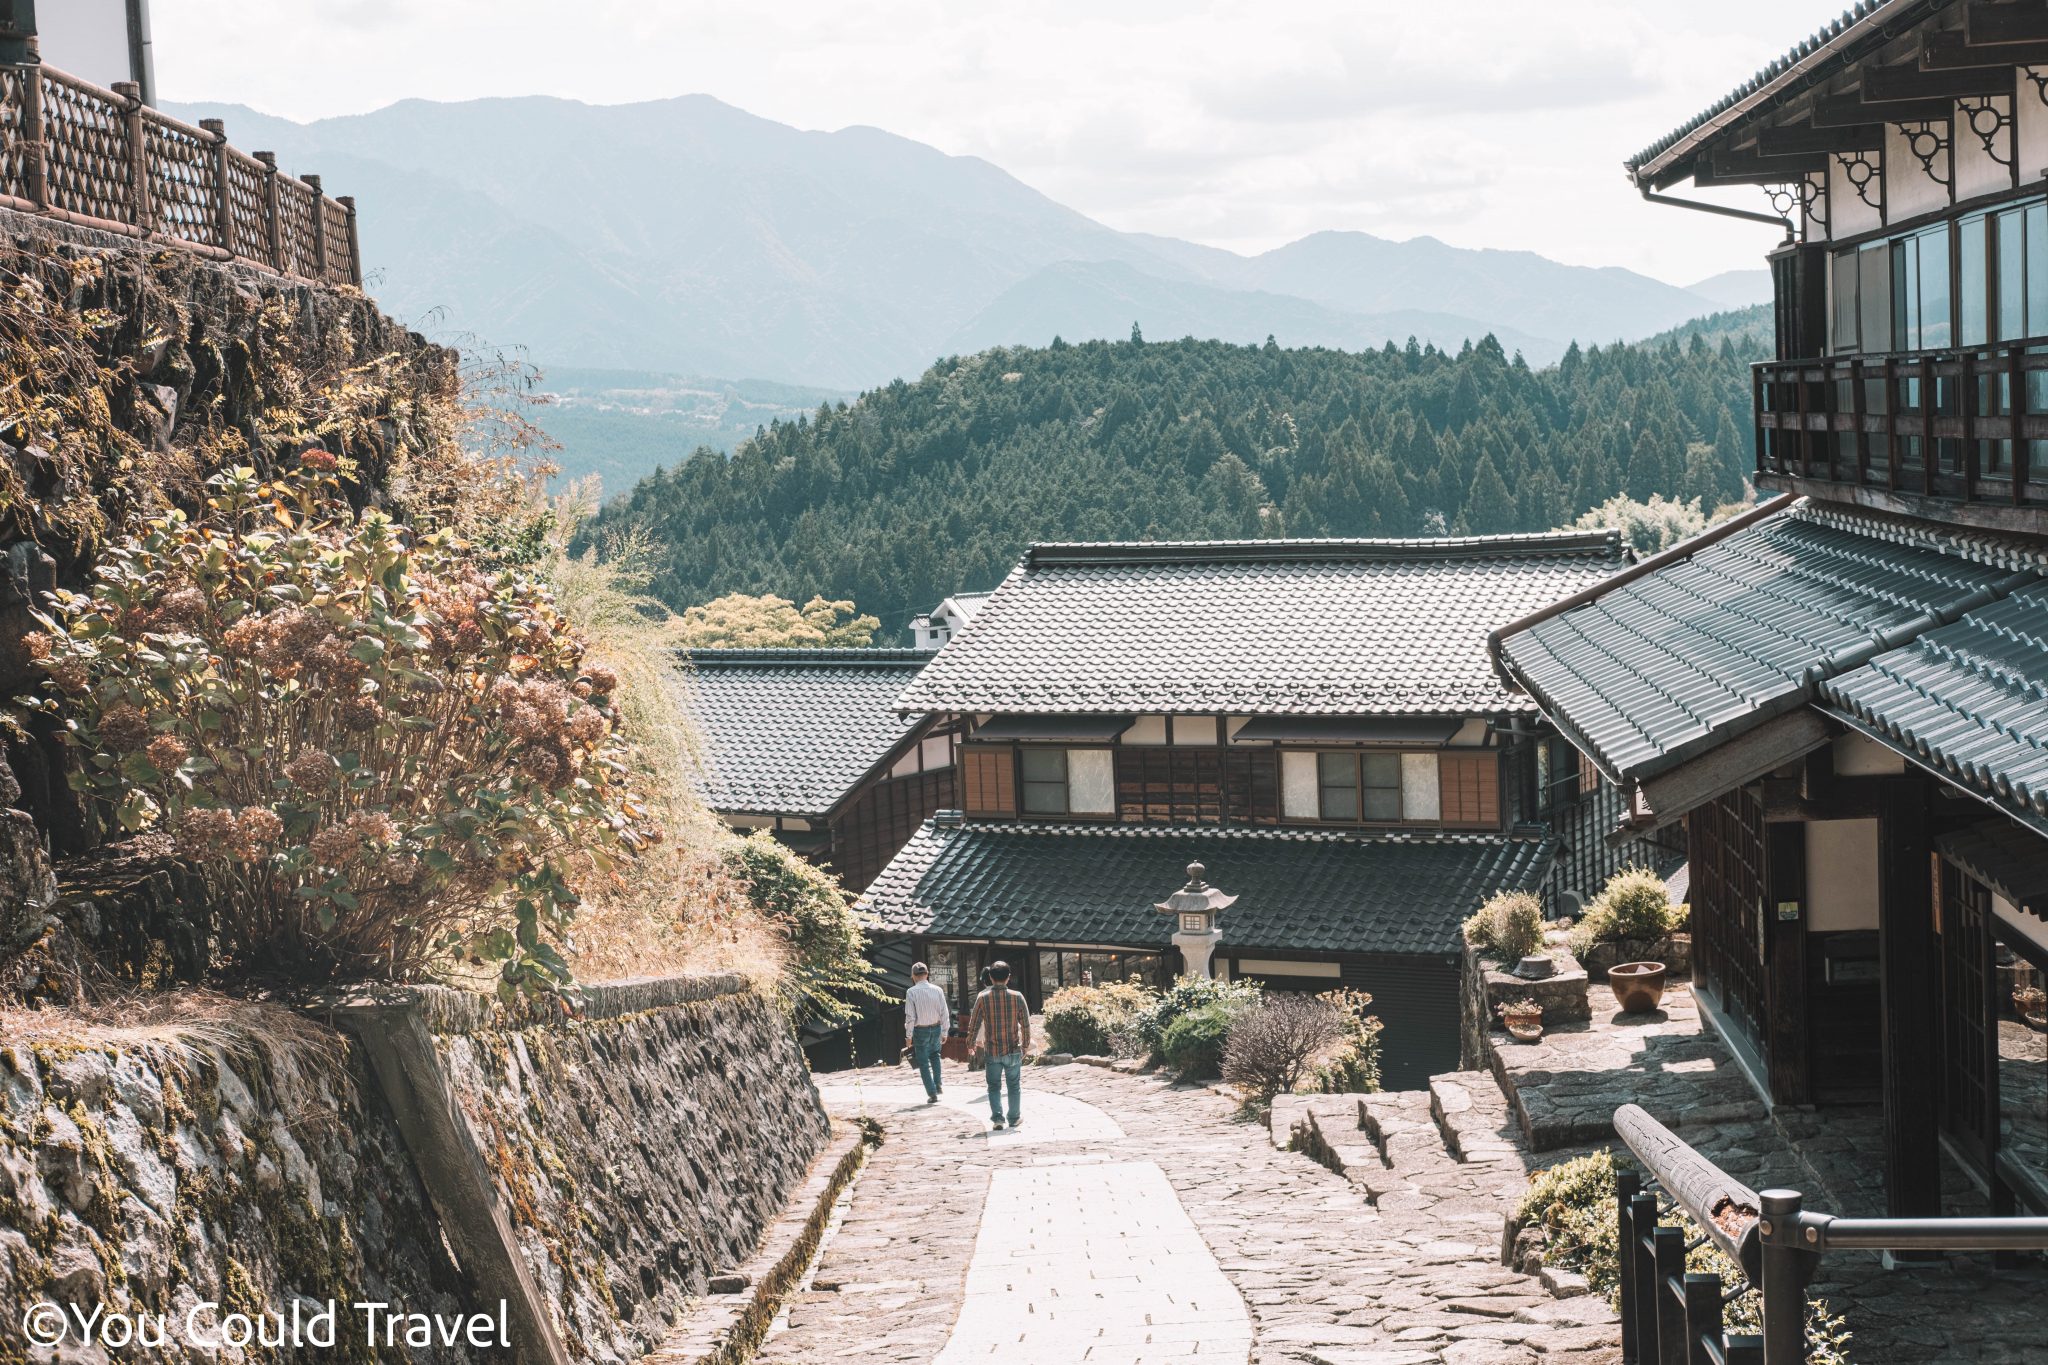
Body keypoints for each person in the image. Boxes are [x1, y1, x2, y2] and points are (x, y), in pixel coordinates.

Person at [965, 960, 1031, 1129]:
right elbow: (1025, 1024)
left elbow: (974, 1023)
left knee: (994, 1086)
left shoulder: (982, 998)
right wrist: (1025, 1045)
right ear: (1008, 978)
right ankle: (1014, 1117)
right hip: (1012, 1049)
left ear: (991, 978)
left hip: (992, 1050)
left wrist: (970, 1043)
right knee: (1013, 1085)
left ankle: (997, 1119)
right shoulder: (1017, 997)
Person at [902, 963, 950, 1103]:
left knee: (923, 1062)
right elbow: (944, 1012)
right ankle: (938, 1084)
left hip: (920, 1030)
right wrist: (945, 1031)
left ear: (913, 976)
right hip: (936, 1027)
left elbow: (910, 1017)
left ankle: (932, 1093)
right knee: (935, 1055)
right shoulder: (938, 990)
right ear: (927, 974)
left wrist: (908, 1036)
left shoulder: (911, 992)